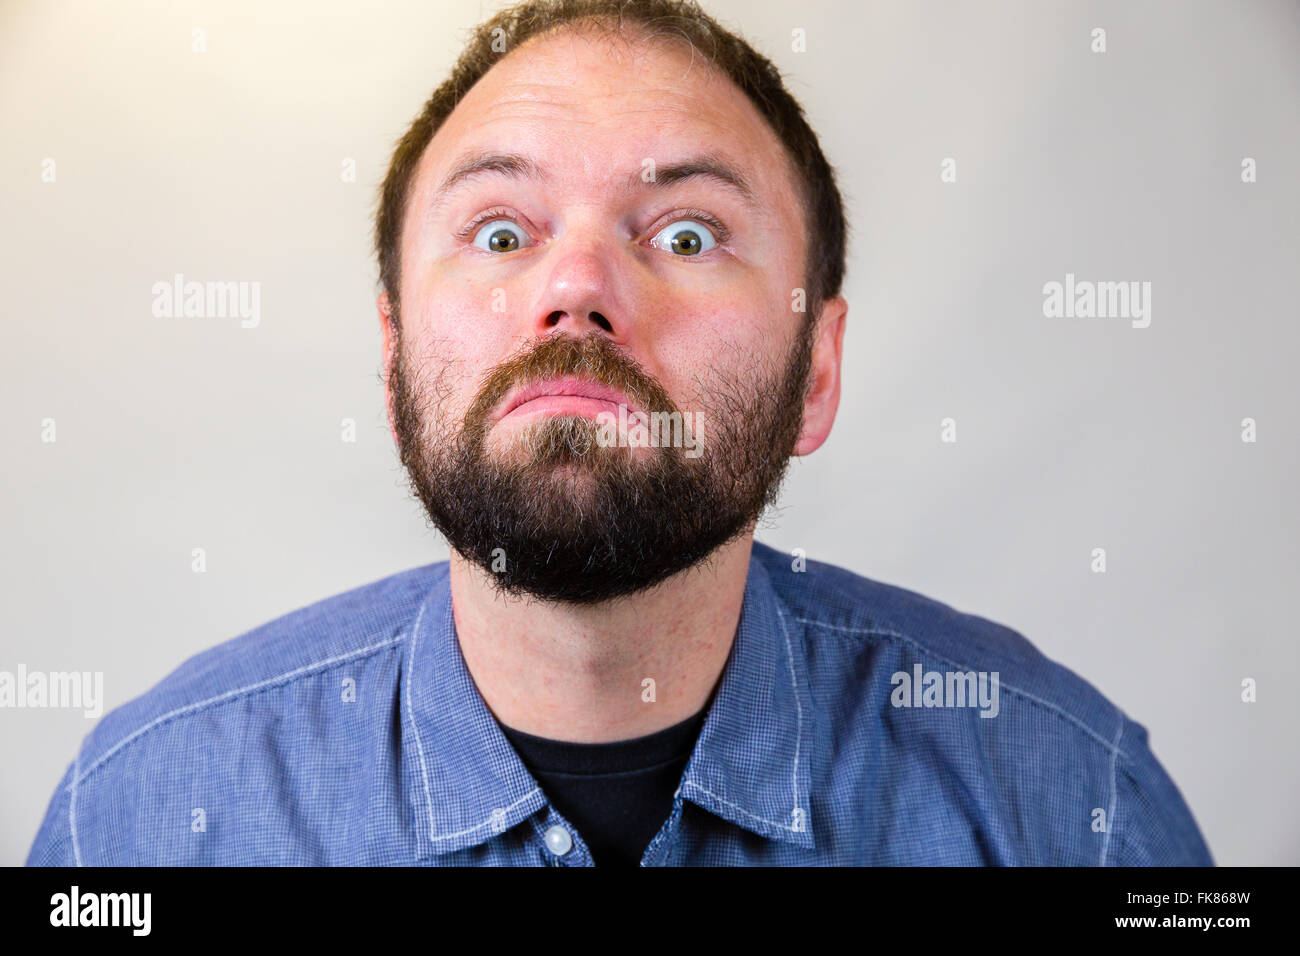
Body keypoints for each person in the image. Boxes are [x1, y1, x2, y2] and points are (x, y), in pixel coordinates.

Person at [28, 0, 1212, 866]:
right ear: (392, 358)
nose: (577, 286)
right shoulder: (136, 818)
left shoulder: (1072, 804)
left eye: (688, 234)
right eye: (500, 232)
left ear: (818, 371)